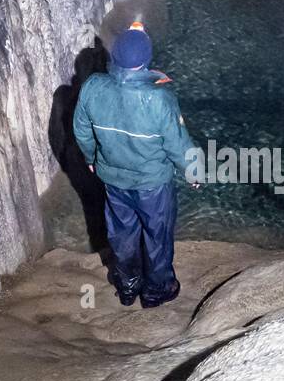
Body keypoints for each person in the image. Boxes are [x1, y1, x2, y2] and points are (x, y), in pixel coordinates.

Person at [73, 22, 199, 307]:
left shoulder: (93, 87)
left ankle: (128, 286)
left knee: (122, 233)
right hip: (152, 184)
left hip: (114, 180)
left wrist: (92, 158)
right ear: (146, 61)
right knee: (157, 235)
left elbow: (81, 130)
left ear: (114, 57)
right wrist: (194, 171)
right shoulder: (158, 98)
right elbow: (178, 143)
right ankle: (157, 290)